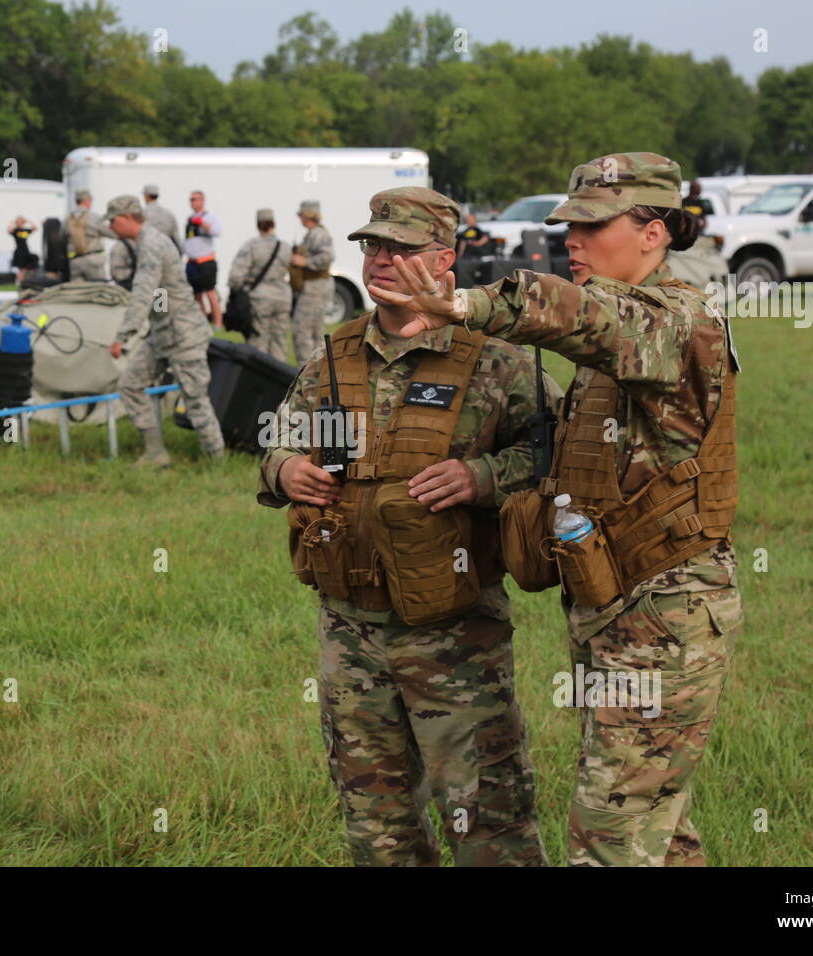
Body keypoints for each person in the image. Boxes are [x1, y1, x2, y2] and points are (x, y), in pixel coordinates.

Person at [370, 153, 744, 867]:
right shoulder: (623, 331)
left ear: (655, 232)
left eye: (592, 225)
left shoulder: (676, 322)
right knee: (655, 827)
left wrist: (470, 306)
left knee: (610, 834)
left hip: (664, 617)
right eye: (566, 225)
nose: (569, 240)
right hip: (616, 608)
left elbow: (588, 318)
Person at [257, 186, 563, 867]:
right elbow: (278, 436)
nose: (381, 259)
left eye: (401, 248)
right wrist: (284, 470)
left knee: (486, 815)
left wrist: (479, 478)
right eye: (373, 245)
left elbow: (559, 458)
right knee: (376, 819)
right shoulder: (334, 358)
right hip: (349, 630)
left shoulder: (496, 359)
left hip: (454, 634)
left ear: (445, 260)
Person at [106, 195, 225, 466]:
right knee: (130, 385)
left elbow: (143, 292)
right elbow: (157, 296)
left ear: (126, 218)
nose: (111, 227)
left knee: (195, 399)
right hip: (162, 333)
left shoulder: (151, 244)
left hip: (184, 335)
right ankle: (155, 453)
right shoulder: (147, 242)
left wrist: (122, 336)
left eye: (113, 220)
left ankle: (217, 461)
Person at [227, 208, 291, 362]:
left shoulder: (251, 246)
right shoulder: (285, 247)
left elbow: (235, 276)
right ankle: (279, 378)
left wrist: (235, 290)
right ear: (273, 224)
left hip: (260, 298)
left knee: (258, 340)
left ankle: (257, 377)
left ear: (257, 225)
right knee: (279, 341)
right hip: (283, 297)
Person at [290, 199, 335, 367]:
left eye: (301, 215)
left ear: (307, 215)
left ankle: (305, 371)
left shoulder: (318, 234)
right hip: (314, 287)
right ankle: (318, 370)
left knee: (302, 331)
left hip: (315, 287)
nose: (299, 218)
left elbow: (327, 257)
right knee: (315, 333)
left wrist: (305, 261)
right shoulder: (313, 233)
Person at [667, 181, 728, 290]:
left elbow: (705, 220)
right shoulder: (684, 202)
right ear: (692, 189)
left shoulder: (700, 203)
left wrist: (701, 224)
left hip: (698, 233)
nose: (700, 191)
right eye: (698, 188)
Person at [183, 190, 222, 328]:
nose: (192, 202)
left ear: (202, 201)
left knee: (210, 293)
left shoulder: (209, 217)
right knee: (196, 295)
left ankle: (217, 323)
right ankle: (203, 322)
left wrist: (202, 223)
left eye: (195, 199)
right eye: (191, 199)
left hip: (206, 261)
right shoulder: (189, 219)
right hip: (192, 263)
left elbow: (217, 231)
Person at [66, 190, 108, 281]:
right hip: (94, 260)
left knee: (78, 292)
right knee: (98, 291)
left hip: (74, 261)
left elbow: (61, 237)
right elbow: (111, 233)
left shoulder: (68, 218)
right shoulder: (95, 217)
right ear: (87, 201)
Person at [143, 184, 181, 253]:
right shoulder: (169, 214)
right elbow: (176, 238)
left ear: (146, 196)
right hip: (166, 253)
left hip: (147, 253)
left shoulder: (141, 215)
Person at [9, 216, 40, 284]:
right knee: (21, 268)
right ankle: (19, 281)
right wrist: (12, 222)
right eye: (18, 222)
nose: (20, 223)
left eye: (21, 222)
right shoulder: (15, 230)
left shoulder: (25, 230)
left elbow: (35, 228)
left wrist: (28, 221)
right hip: (19, 251)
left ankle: (22, 281)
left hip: (25, 250)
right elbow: (9, 230)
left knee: (26, 267)